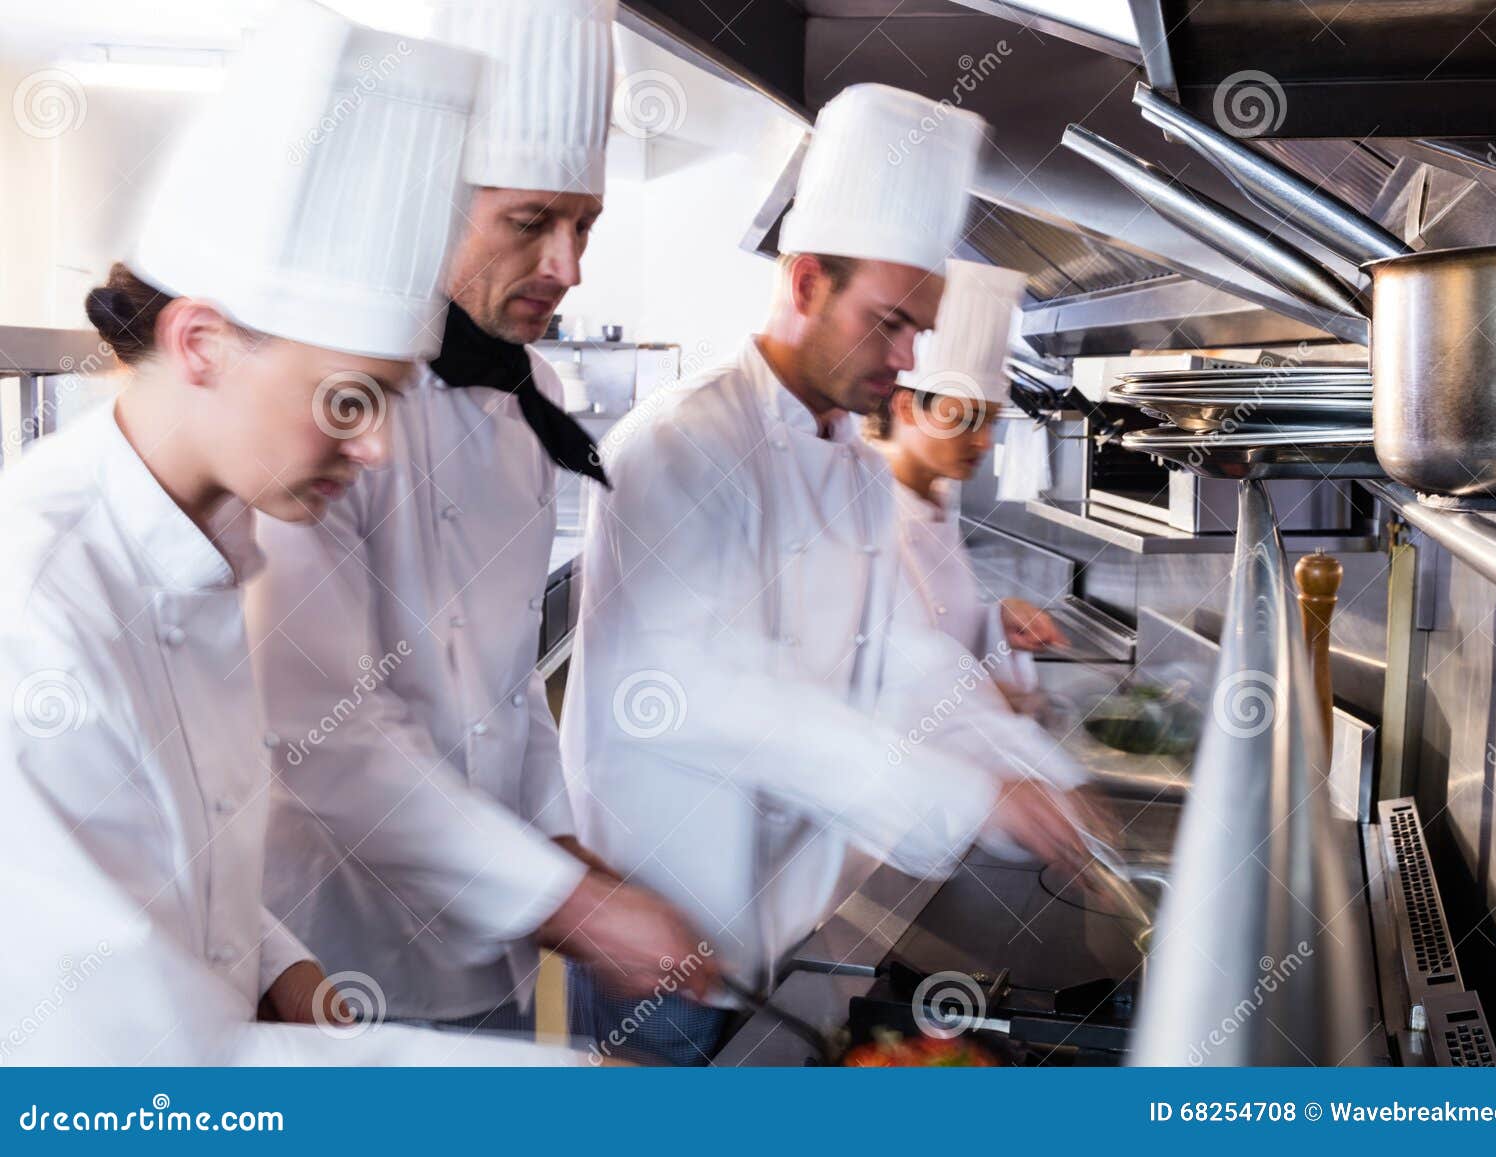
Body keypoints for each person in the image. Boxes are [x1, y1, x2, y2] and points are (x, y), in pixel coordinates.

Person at [0, 0, 585, 1064]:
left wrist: (281, 965)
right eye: (352, 399)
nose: (379, 448)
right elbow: (136, 1078)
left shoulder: (210, 541)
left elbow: (182, 857)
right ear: (203, 343)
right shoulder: (34, 615)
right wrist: (573, 1087)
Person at [560, 83, 1105, 1066]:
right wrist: (969, 797)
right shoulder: (681, 445)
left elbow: (905, 658)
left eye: (919, 328)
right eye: (889, 322)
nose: (908, 356)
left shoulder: (854, 469)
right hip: (672, 940)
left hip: (795, 915)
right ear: (806, 281)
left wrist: (1032, 774)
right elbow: (701, 692)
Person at [245, 0, 715, 1038]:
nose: (568, 266)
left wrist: (565, 852)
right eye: (531, 222)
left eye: (586, 225)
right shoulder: (323, 401)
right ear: (433, 201)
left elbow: (507, 683)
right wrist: (570, 900)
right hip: (333, 953)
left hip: (496, 939)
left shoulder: (531, 392)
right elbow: (325, 733)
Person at [868, 259, 1067, 694]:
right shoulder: (867, 513)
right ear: (906, 408)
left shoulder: (932, 498)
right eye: (965, 419)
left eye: (991, 421)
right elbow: (890, 673)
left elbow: (940, 629)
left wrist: (995, 622)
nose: (984, 442)